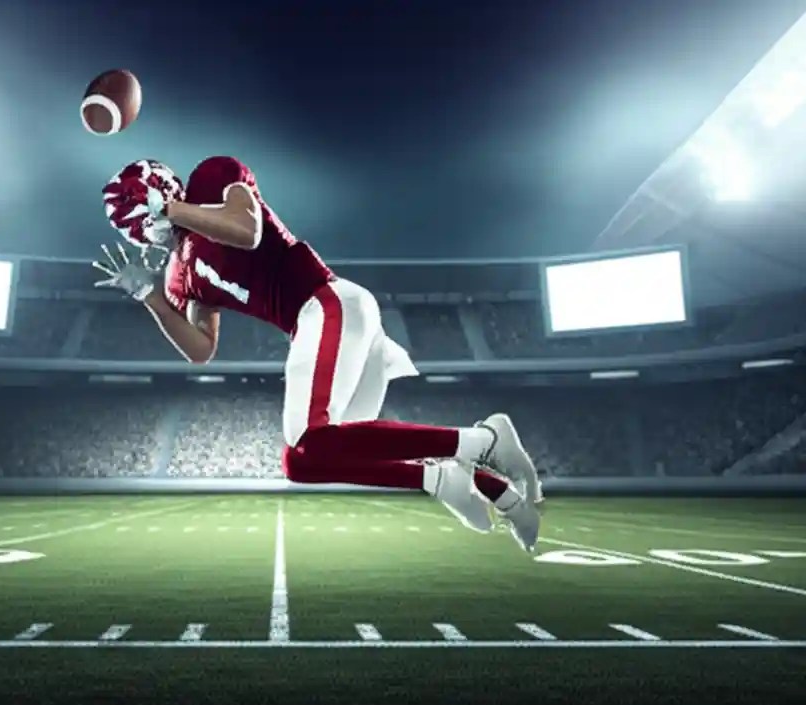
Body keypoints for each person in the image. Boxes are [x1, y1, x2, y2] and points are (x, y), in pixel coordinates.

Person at [93, 157, 542, 551]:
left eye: (136, 215)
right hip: (316, 323)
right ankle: (467, 483)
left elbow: (246, 232)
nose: (141, 230)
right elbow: (201, 349)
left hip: (327, 303)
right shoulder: (178, 275)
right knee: (307, 460)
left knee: (308, 435)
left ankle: (484, 442)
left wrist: (173, 210)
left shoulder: (212, 177)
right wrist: (150, 295)